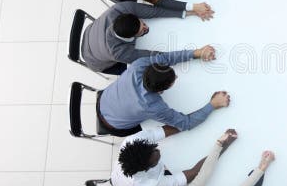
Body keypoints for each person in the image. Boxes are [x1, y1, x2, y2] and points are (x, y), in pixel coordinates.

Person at [97, 46, 229, 137]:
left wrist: (196, 53)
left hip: (104, 99)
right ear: (161, 90)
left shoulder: (139, 65)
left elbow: (165, 58)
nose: (177, 76)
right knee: (170, 129)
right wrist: (213, 104)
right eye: (174, 79)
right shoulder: (153, 106)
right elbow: (186, 123)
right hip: (114, 125)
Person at [80, 1, 208, 75]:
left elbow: (155, 11)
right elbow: (157, 57)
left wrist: (190, 13)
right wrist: (195, 54)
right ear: (131, 37)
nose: (146, 28)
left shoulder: (120, 9)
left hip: (90, 31)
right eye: (142, 31)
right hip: (93, 58)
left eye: (143, 23)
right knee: (140, 71)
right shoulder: (118, 52)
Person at [111, 124, 207, 186]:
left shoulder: (132, 142)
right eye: (156, 160)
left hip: (118, 180)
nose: (158, 150)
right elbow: (193, 173)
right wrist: (218, 148)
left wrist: (186, 123)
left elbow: (157, 132)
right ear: (147, 168)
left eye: (154, 148)